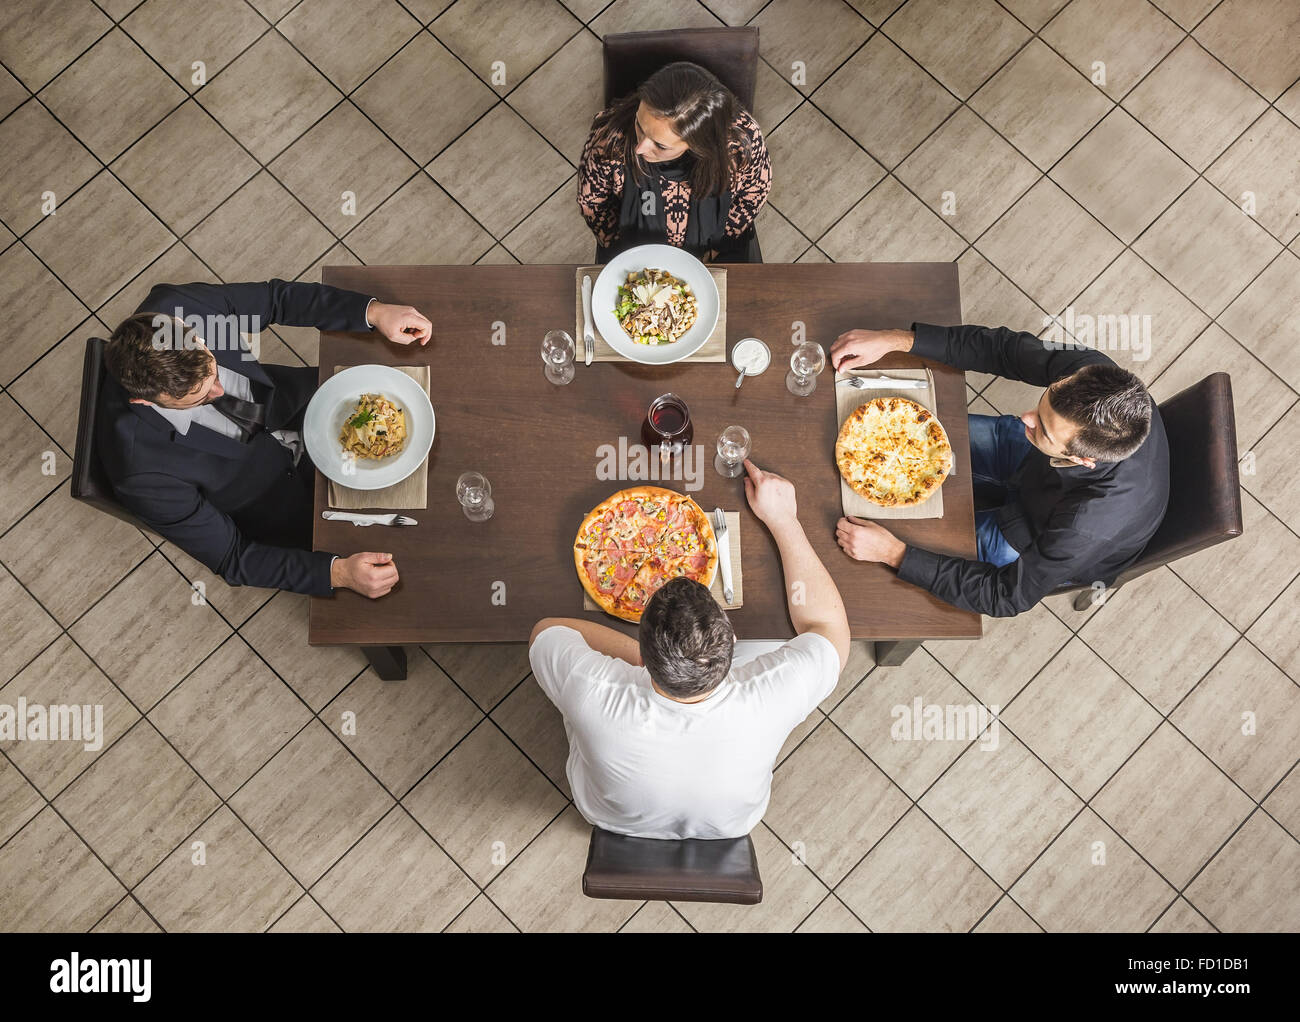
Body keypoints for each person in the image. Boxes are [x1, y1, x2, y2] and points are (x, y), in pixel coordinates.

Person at [527, 460, 849, 840]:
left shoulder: (591, 690)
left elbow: (545, 632)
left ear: (642, 658)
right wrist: (784, 520)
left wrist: (658, 654)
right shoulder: (777, 692)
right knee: (780, 643)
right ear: (730, 641)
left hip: (608, 815)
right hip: (730, 826)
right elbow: (828, 628)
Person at [98, 279, 433, 599]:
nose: (220, 391)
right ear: (145, 400)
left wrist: (372, 311)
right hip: (286, 504)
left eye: (213, 371)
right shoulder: (140, 472)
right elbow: (232, 557)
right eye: (199, 398)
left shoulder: (181, 306)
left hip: (307, 403)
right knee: (422, 554)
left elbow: (275, 300)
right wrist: (339, 574)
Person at [830, 324, 1169, 617]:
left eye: (1044, 429)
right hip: (1035, 462)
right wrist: (897, 340)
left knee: (904, 539)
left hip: (1039, 532)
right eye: (1045, 400)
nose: (1025, 417)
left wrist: (894, 553)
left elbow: (1007, 596)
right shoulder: (1090, 376)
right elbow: (1004, 349)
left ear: (1083, 460)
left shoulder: (1087, 527)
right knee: (902, 435)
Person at [577, 61, 771, 264]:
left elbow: (755, 193)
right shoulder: (608, 141)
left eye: (660, 146)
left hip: (717, 252)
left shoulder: (741, 141)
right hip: (633, 255)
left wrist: (720, 246)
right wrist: (625, 251)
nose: (639, 148)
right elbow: (593, 204)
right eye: (639, 125)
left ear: (698, 146)